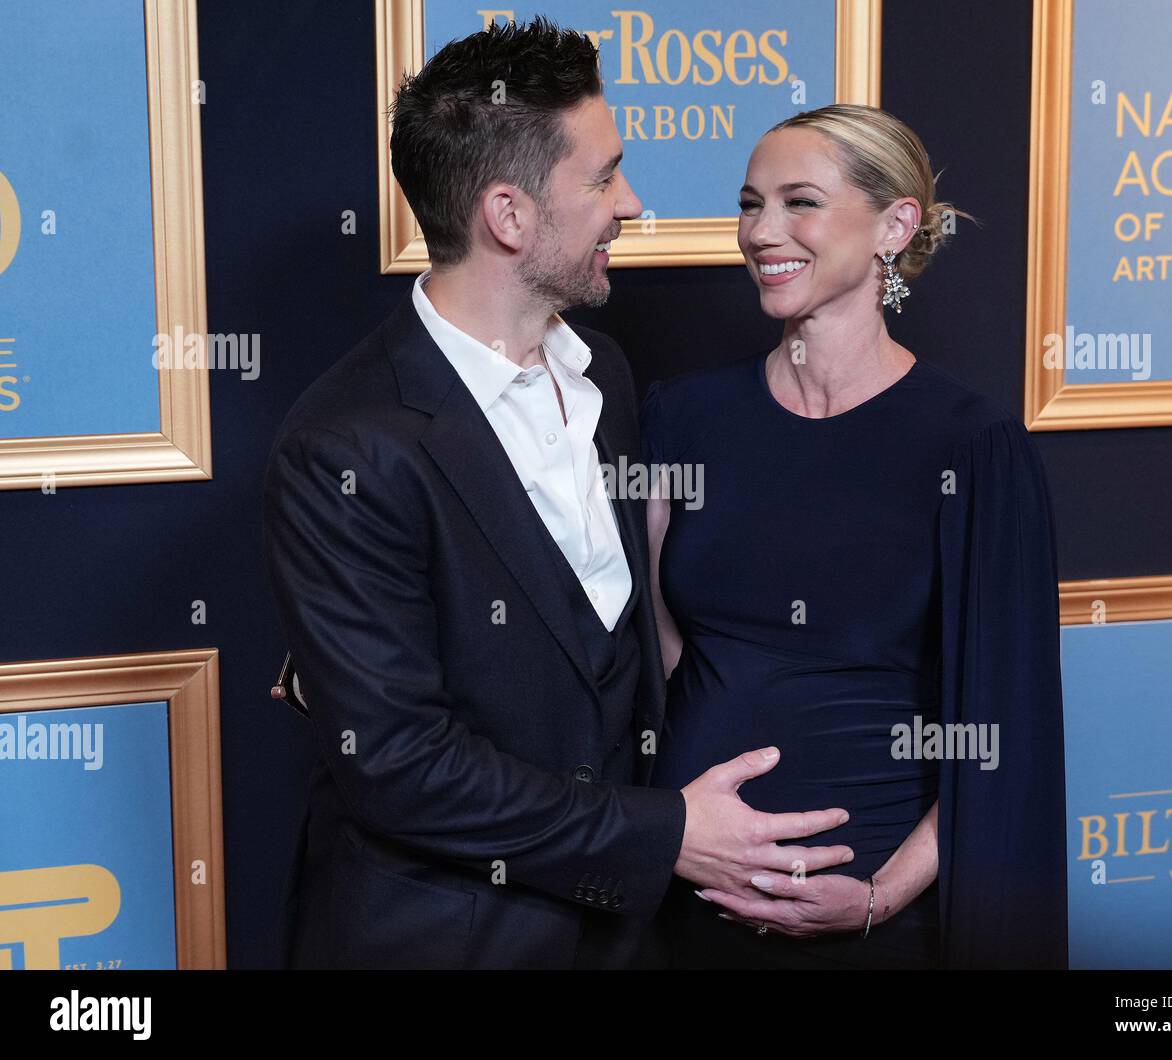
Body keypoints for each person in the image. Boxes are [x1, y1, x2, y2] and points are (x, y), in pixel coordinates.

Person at [261, 18, 855, 971]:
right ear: (509, 215)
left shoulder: (607, 377)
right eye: (603, 175)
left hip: (629, 941)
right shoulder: (345, 444)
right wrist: (663, 834)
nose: (630, 201)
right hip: (443, 944)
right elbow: (401, 768)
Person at [642, 104, 1068, 969]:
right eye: (749, 203)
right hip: (679, 907)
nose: (762, 232)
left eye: (799, 202)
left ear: (895, 224)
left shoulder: (969, 443)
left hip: (873, 918)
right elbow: (647, 651)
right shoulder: (681, 417)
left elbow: (1002, 727)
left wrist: (879, 897)